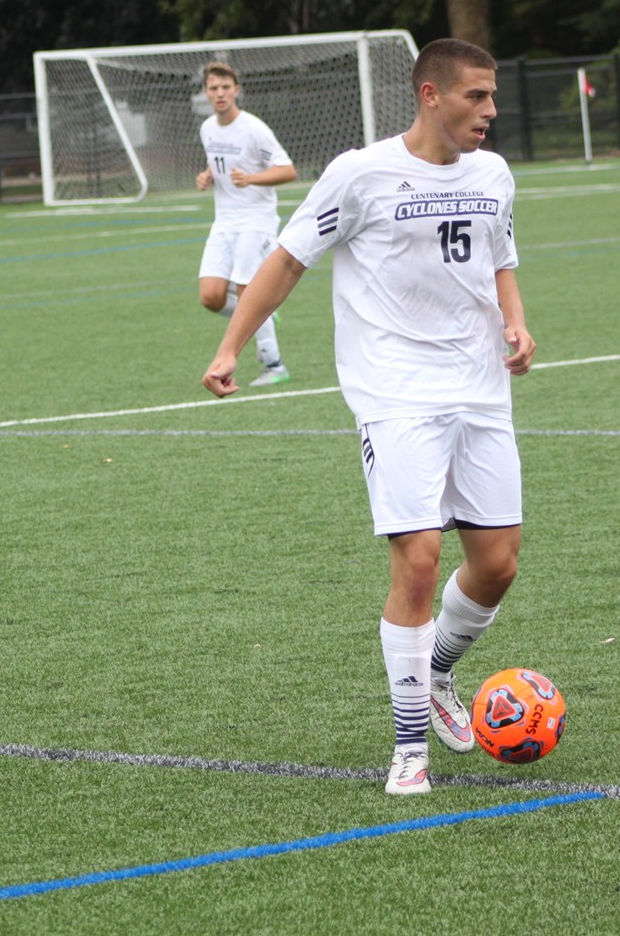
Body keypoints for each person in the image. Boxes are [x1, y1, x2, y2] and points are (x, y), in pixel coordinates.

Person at [202, 39, 535, 795]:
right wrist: (231, 345)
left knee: (498, 564)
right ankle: (409, 748)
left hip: (481, 390)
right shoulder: (360, 174)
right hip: (394, 394)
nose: (489, 110)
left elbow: (501, 258)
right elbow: (285, 260)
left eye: (491, 97)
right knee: (418, 557)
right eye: (474, 97)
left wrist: (517, 323)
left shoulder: (494, 173)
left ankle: (439, 671)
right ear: (429, 95)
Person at [195, 61, 298, 386]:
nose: (220, 93)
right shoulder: (207, 128)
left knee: (244, 290)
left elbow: (288, 170)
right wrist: (209, 176)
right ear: (207, 93)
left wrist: (252, 178)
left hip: (257, 220)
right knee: (211, 297)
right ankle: (262, 315)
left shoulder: (254, 128)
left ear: (236, 90)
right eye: (214, 88)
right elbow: (221, 164)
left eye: (226, 87)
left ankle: (274, 365)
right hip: (224, 221)